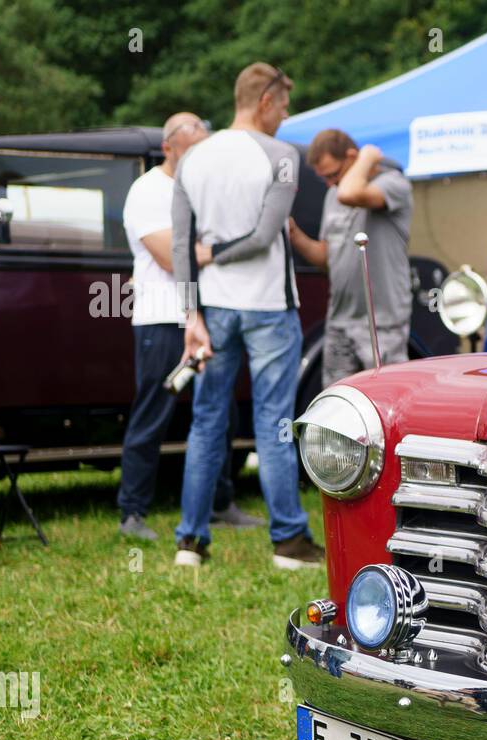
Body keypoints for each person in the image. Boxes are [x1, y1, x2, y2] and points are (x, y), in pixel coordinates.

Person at [171, 63, 323, 570]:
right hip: (268, 308)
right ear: (263, 101)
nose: (285, 116)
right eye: (282, 105)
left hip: (213, 309)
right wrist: (213, 254)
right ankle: (288, 542)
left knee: (206, 421)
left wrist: (189, 312)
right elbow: (263, 237)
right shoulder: (282, 156)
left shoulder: (193, 158)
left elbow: (179, 244)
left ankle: (190, 542)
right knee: (274, 422)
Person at [117, 112, 263, 541]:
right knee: (154, 413)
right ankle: (131, 512)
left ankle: (220, 502)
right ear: (168, 147)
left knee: (222, 413)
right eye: (193, 145)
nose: (202, 154)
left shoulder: (200, 190)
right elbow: (170, 257)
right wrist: (238, 247)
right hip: (164, 319)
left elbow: (192, 251)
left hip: (206, 316)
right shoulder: (147, 191)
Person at [288, 129, 413, 385]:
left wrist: (366, 157)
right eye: (324, 178)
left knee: (384, 402)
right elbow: (326, 259)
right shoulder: (333, 194)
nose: (330, 184)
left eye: (333, 174)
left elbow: (350, 194)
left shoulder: (393, 184)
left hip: (381, 323)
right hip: (340, 321)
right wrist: (294, 233)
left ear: (351, 156)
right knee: (337, 404)